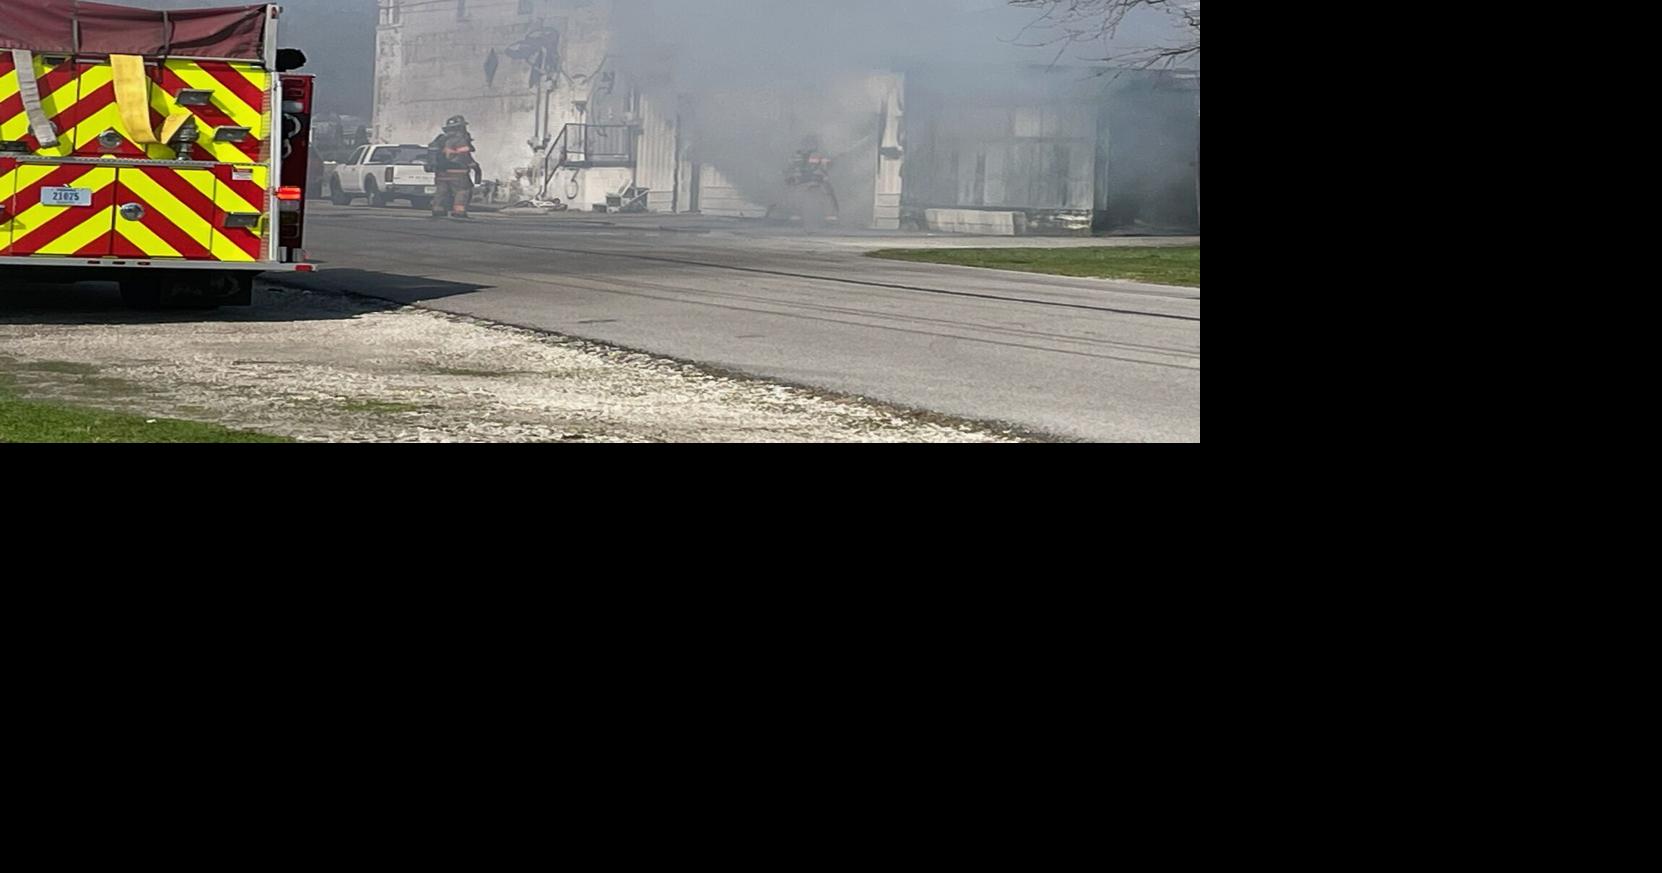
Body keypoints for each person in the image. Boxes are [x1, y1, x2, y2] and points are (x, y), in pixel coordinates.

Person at [429, 115, 480, 220]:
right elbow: (464, 155)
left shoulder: (440, 139)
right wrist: (473, 165)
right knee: (462, 190)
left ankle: (438, 209)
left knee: (442, 190)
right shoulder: (460, 139)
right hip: (458, 171)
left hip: (441, 172)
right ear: (460, 127)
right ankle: (459, 211)